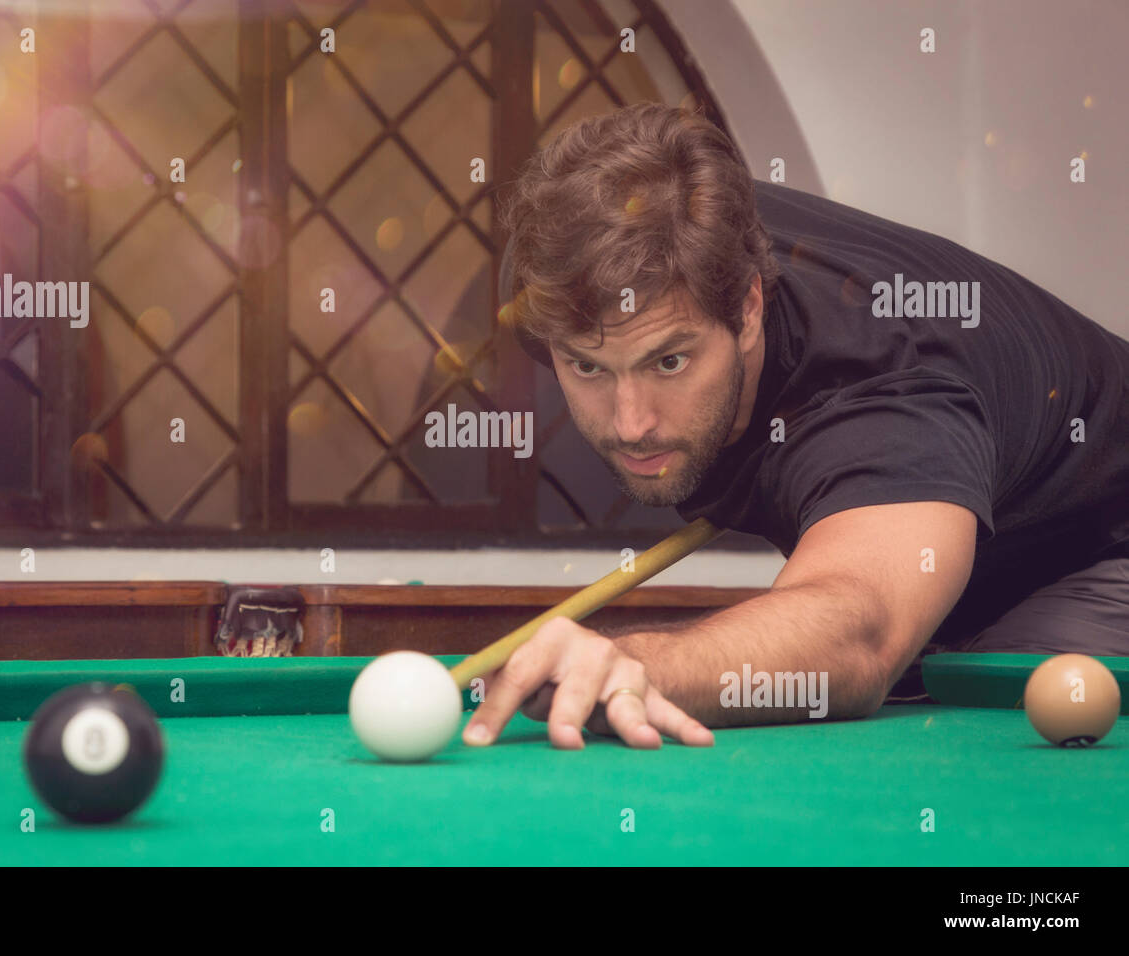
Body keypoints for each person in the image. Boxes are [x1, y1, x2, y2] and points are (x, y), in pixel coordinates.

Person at [463, 102, 1129, 751]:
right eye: (588, 367)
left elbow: (857, 629)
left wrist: (642, 664)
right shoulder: (555, 286)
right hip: (970, 531)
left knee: (968, 697)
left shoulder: (881, 387)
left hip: (1106, 545)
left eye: (670, 360)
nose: (631, 423)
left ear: (749, 307)